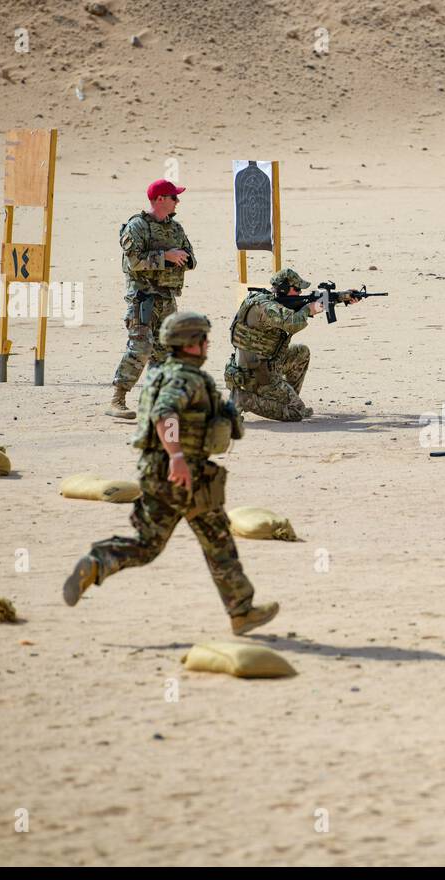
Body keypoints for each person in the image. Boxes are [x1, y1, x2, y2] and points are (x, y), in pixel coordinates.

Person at [66, 309, 279, 635]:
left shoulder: (161, 373)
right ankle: (241, 610)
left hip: (160, 472)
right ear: (191, 343)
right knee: (217, 543)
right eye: (203, 338)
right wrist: (177, 457)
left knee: (159, 543)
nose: (208, 344)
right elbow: (166, 413)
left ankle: (100, 561)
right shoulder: (185, 379)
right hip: (184, 474)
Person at [106, 179, 196, 419]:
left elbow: (191, 258)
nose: (178, 201)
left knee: (166, 352)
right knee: (141, 347)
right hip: (143, 298)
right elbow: (134, 261)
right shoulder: (137, 226)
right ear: (159, 200)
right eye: (173, 197)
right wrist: (165, 256)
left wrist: (182, 258)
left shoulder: (175, 228)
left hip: (167, 298)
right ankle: (117, 399)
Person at [225, 267, 356, 422]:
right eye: (297, 289)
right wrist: (308, 309)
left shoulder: (269, 298)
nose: (300, 293)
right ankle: (243, 399)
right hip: (256, 374)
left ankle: (283, 400)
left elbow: (301, 302)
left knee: (301, 352)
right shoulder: (265, 307)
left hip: (263, 364)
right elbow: (293, 323)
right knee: (296, 413)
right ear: (284, 289)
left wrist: (343, 297)